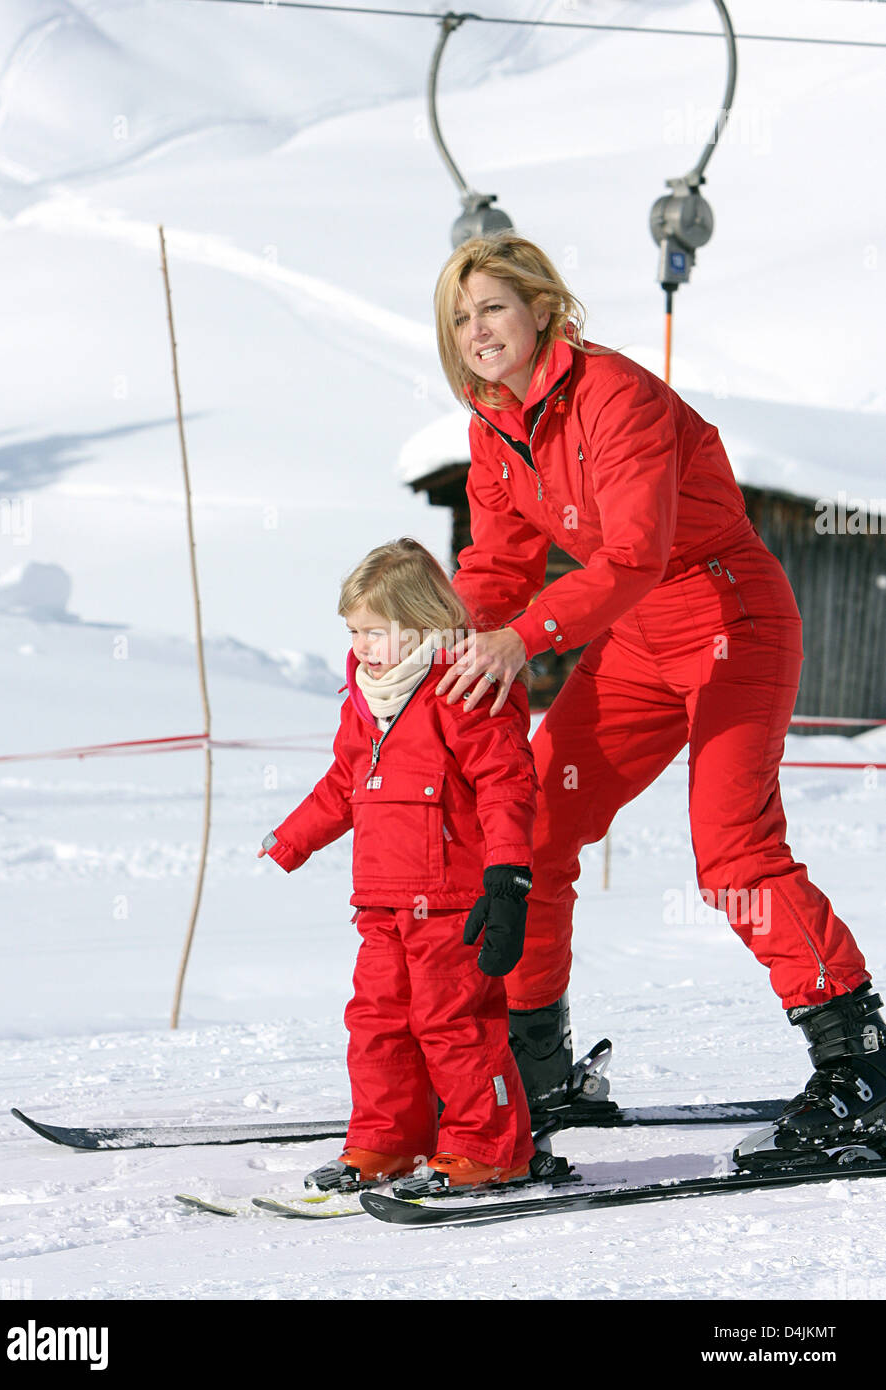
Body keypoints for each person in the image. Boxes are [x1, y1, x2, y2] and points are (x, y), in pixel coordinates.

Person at [430, 230, 886, 1164]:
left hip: (730, 616)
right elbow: (497, 565)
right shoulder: (493, 426)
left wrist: (525, 639)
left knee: (732, 856)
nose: (477, 330)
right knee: (537, 834)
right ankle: (539, 1068)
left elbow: (634, 552)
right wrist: (449, 643)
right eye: (461, 316)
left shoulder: (615, 395)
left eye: (493, 308)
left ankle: (861, 1068)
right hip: (635, 635)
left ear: (542, 310)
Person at [258, 537, 539, 1193]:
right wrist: (291, 839)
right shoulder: (364, 700)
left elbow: (506, 786)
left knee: (455, 1027)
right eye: (353, 630)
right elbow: (343, 784)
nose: (359, 645)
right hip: (381, 900)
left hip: (452, 902)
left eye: (373, 631)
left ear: (421, 623)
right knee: (377, 1023)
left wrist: (506, 875)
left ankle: (489, 1148)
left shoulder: (463, 692)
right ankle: (387, 1142)